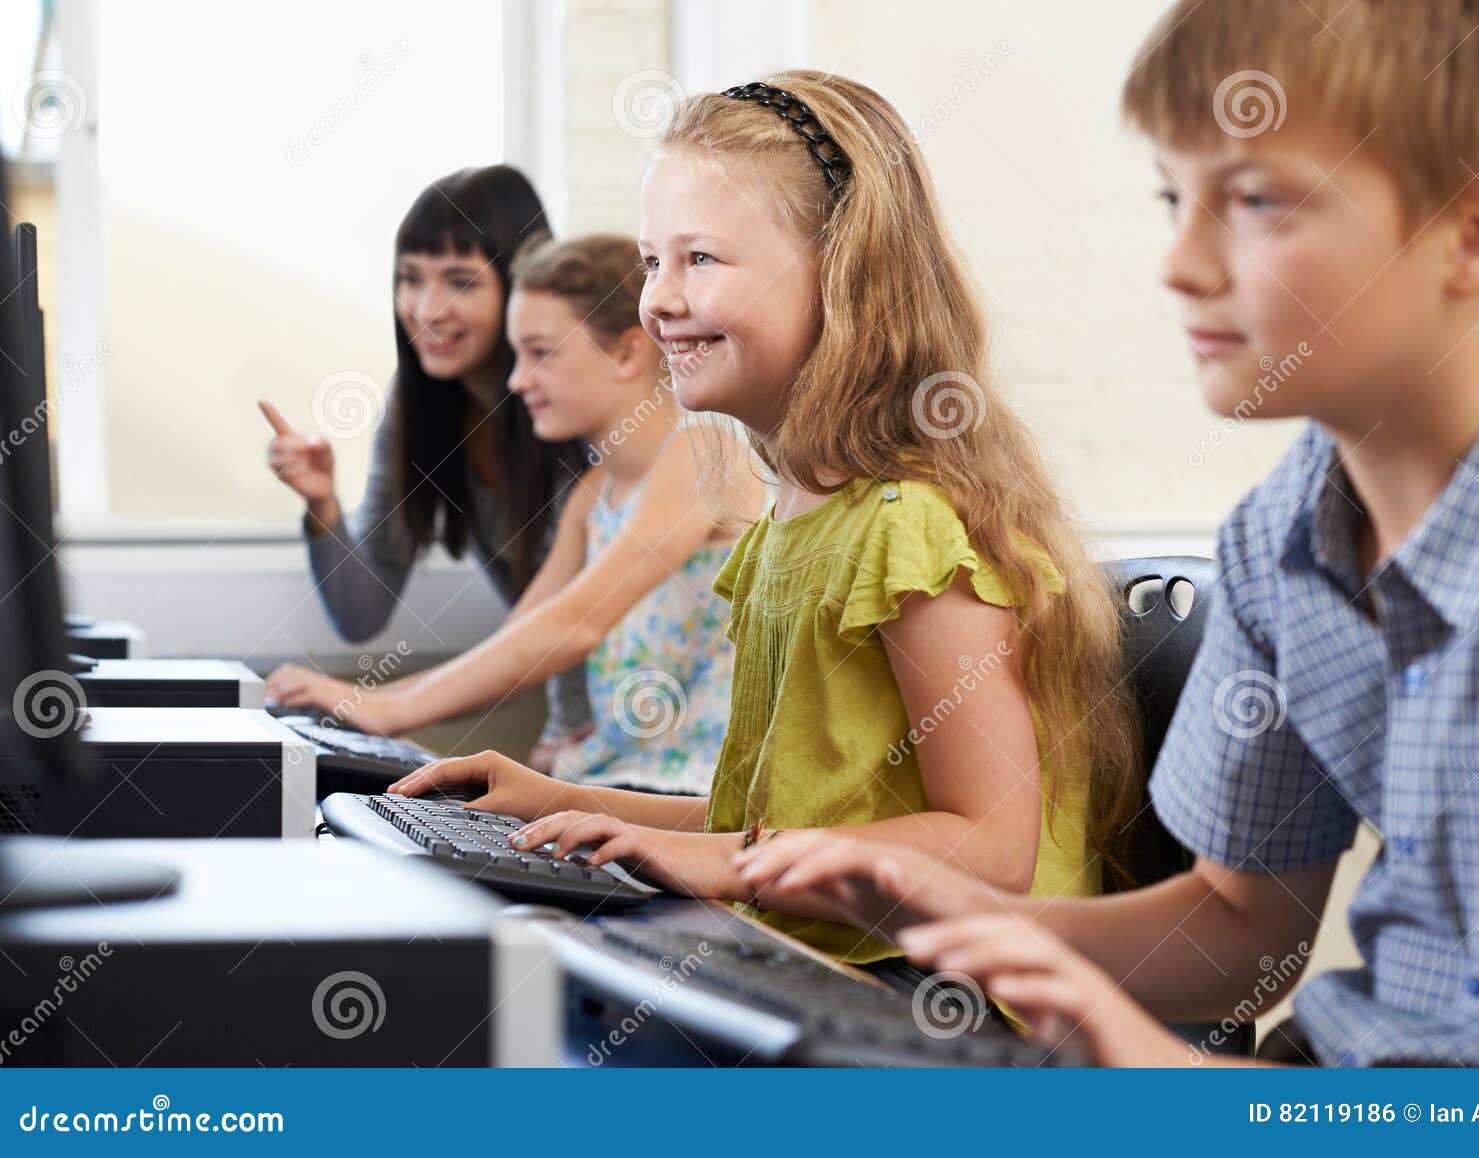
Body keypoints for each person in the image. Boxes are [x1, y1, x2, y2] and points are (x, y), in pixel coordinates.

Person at [735, 0, 1479, 1066]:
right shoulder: (1282, 539)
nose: (1180, 264)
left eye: (1255, 201)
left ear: (1475, 236)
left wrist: (1168, 1078)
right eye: (1172, 198)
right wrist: (959, 919)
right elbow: (1239, 936)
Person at [390, 71, 1142, 965]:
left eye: (700, 259)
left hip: (941, 999)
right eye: (651, 262)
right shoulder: (792, 516)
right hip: (830, 962)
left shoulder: (913, 525)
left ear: (843, 273)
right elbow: (767, 826)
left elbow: (992, 849)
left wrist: (727, 861)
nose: (658, 300)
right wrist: (565, 801)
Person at [268, 234, 762, 794]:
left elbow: (575, 624)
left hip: (698, 797)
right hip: (618, 780)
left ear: (628, 353)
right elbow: (520, 643)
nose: (516, 379)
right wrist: (371, 702)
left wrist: (386, 710)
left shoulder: (704, 454)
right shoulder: (593, 494)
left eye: (540, 352)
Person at [260, 165, 592, 764]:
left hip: (638, 736)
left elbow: (562, 624)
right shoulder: (420, 408)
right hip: (574, 742)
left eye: (461, 282)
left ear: (524, 285)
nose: (427, 309)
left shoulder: (585, 402)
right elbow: (362, 615)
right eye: (409, 279)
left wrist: (380, 703)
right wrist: (322, 504)